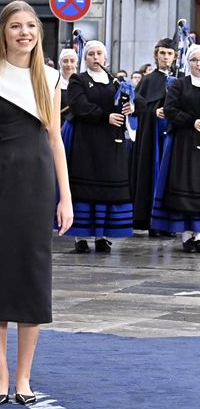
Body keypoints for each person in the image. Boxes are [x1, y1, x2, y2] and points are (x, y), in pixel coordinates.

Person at [0, 0, 72, 406]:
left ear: (39, 33)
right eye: (15, 26)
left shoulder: (51, 77)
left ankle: (24, 379)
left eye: (30, 26)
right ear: (3, 33)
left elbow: (55, 140)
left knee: (31, 278)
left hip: (37, 185)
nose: (23, 32)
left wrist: (66, 197)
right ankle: (0, 378)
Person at [63, 40, 133, 252]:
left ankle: (102, 235)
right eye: (91, 54)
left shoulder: (115, 81)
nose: (95, 58)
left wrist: (130, 106)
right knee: (84, 189)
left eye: (99, 54)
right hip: (87, 142)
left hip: (111, 143)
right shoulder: (78, 79)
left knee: (107, 190)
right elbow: (79, 105)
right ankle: (80, 238)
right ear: (85, 58)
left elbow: (131, 100)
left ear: (105, 58)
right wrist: (105, 117)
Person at [150, 43, 200, 251]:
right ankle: (187, 234)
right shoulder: (180, 84)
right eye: (195, 60)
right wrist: (192, 122)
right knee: (186, 186)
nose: (199, 64)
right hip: (184, 143)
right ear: (188, 63)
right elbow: (170, 109)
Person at [131, 38, 177, 235]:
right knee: (154, 174)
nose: (165, 57)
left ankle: (170, 222)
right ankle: (152, 222)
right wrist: (153, 112)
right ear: (156, 56)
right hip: (154, 137)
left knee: (172, 176)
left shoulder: (180, 79)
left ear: (175, 57)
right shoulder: (148, 80)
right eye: (162, 53)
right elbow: (137, 107)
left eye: (169, 54)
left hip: (174, 136)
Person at [58, 48, 79, 123]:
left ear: (76, 64)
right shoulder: (54, 82)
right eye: (65, 61)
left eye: (72, 61)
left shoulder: (81, 82)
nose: (69, 64)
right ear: (60, 63)